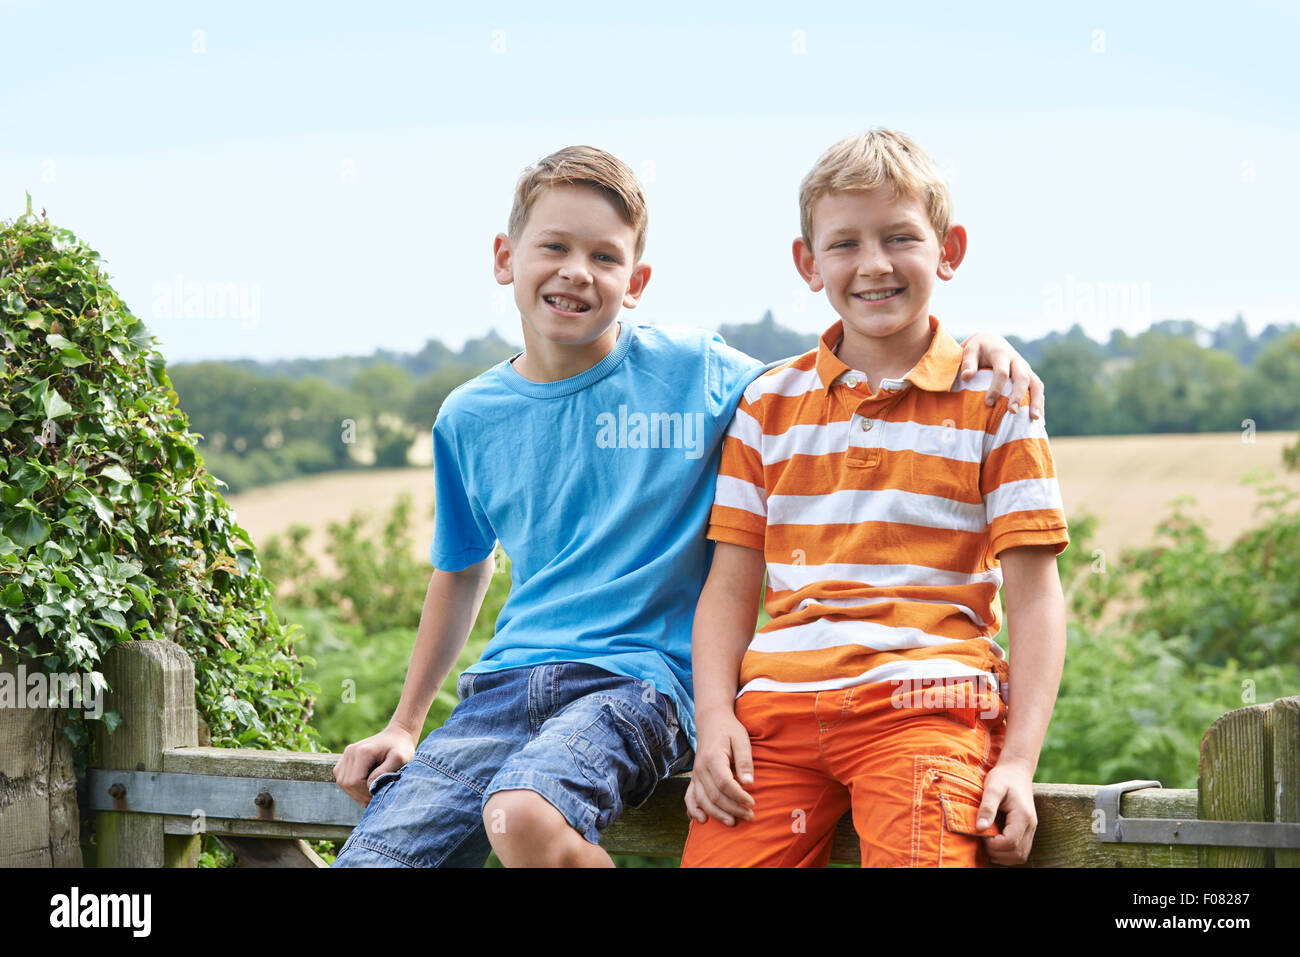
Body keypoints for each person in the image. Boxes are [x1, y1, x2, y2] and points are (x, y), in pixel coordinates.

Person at [331, 144, 1045, 867]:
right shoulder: (468, 416)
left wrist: (972, 347)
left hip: (641, 683)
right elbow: (461, 569)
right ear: (503, 257)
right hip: (506, 689)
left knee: (522, 815)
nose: (577, 271)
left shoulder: (704, 376)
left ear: (636, 280)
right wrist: (404, 720)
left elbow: (851, 374)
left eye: (604, 257)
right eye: (554, 246)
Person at [681, 128, 1069, 868]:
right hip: (774, 721)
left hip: (923, 709)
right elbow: (729, 587)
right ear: (808, 262)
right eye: (845, 244)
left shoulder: (998, 399)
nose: (874, 265)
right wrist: (713, 717)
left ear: (948, 250)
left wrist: (1018, 761)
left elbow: (1036, 599)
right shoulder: (767, 403)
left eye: (900, 237)